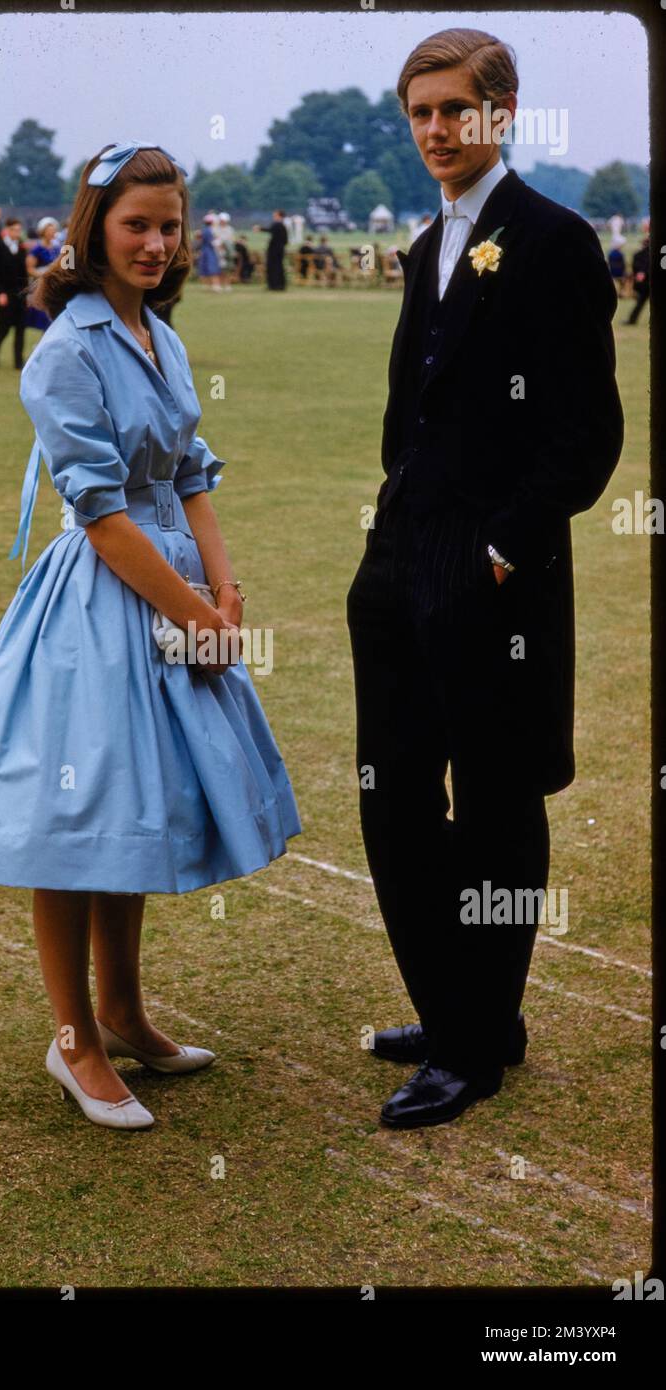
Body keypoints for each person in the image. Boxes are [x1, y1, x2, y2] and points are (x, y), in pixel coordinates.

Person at [0, 139, 301, 1131]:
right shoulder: (65, 350)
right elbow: (100, 516)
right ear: (93, 229)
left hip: (175, 597)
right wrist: (194, 615)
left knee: (132, 809)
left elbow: (190, 476)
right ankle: (73, 1042)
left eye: (169, 225)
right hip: (100, 605)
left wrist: (224, 594)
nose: (155, 242)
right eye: (136, 224)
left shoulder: (160, 337)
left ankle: (124, 1010)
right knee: (77, 816)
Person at [346, 26, 623, 1129]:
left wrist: (499, 550)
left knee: (497, 803)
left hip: (495, 577)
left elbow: (584, 438)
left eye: (452, 110)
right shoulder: (426, 242)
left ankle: (475, 1042)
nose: (433, 131)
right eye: (417, 112)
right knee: (394, 795)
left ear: (500, 113)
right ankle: (454, 1003)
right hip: (399, 559)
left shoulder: (553, 240)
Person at [0, 216, 29, 368]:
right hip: (5, 293)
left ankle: (18, 362)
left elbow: (24, 273)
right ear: (7, 230)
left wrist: (26, 294)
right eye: (14, 230)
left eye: (19, 230)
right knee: (3, 329)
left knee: (20, 329)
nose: (17, 233)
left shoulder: (21, 247)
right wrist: (0, 293)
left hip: (19, 294)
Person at [24, 216, 62, 333]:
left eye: (53, 230)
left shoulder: (57, 248)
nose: (52, 233)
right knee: (44, 320)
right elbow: (29, 268)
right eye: (49, 230)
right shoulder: (37, 249)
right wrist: (43, 274)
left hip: (54, 287)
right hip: (41, 286)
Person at [252, 209, 288, 290]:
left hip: (274, 251)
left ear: (279, 216)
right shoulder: (283, 226)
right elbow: (286, 241)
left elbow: (270, 229)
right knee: (279, 267)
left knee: (273, 268)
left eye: (275, 215)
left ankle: (274, 285)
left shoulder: (278, 225)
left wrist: (260, 229)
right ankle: (279, 285)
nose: (274, 217)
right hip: (280, 250)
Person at [625, 233, 649, 325]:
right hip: (646, 283)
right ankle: (632, 320)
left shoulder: (638, 255)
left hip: (644, 284)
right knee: (640, 303)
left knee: (640, 303)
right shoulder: (639, 255)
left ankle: (632, 320)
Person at [196, 213, 222, 290]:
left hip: (204, 251)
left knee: (205, 268)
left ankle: (208, 285)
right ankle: (215, 285)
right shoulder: (210, 231)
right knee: (213, 267)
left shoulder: (203, 230)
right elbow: (212, 242)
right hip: (210, 251)